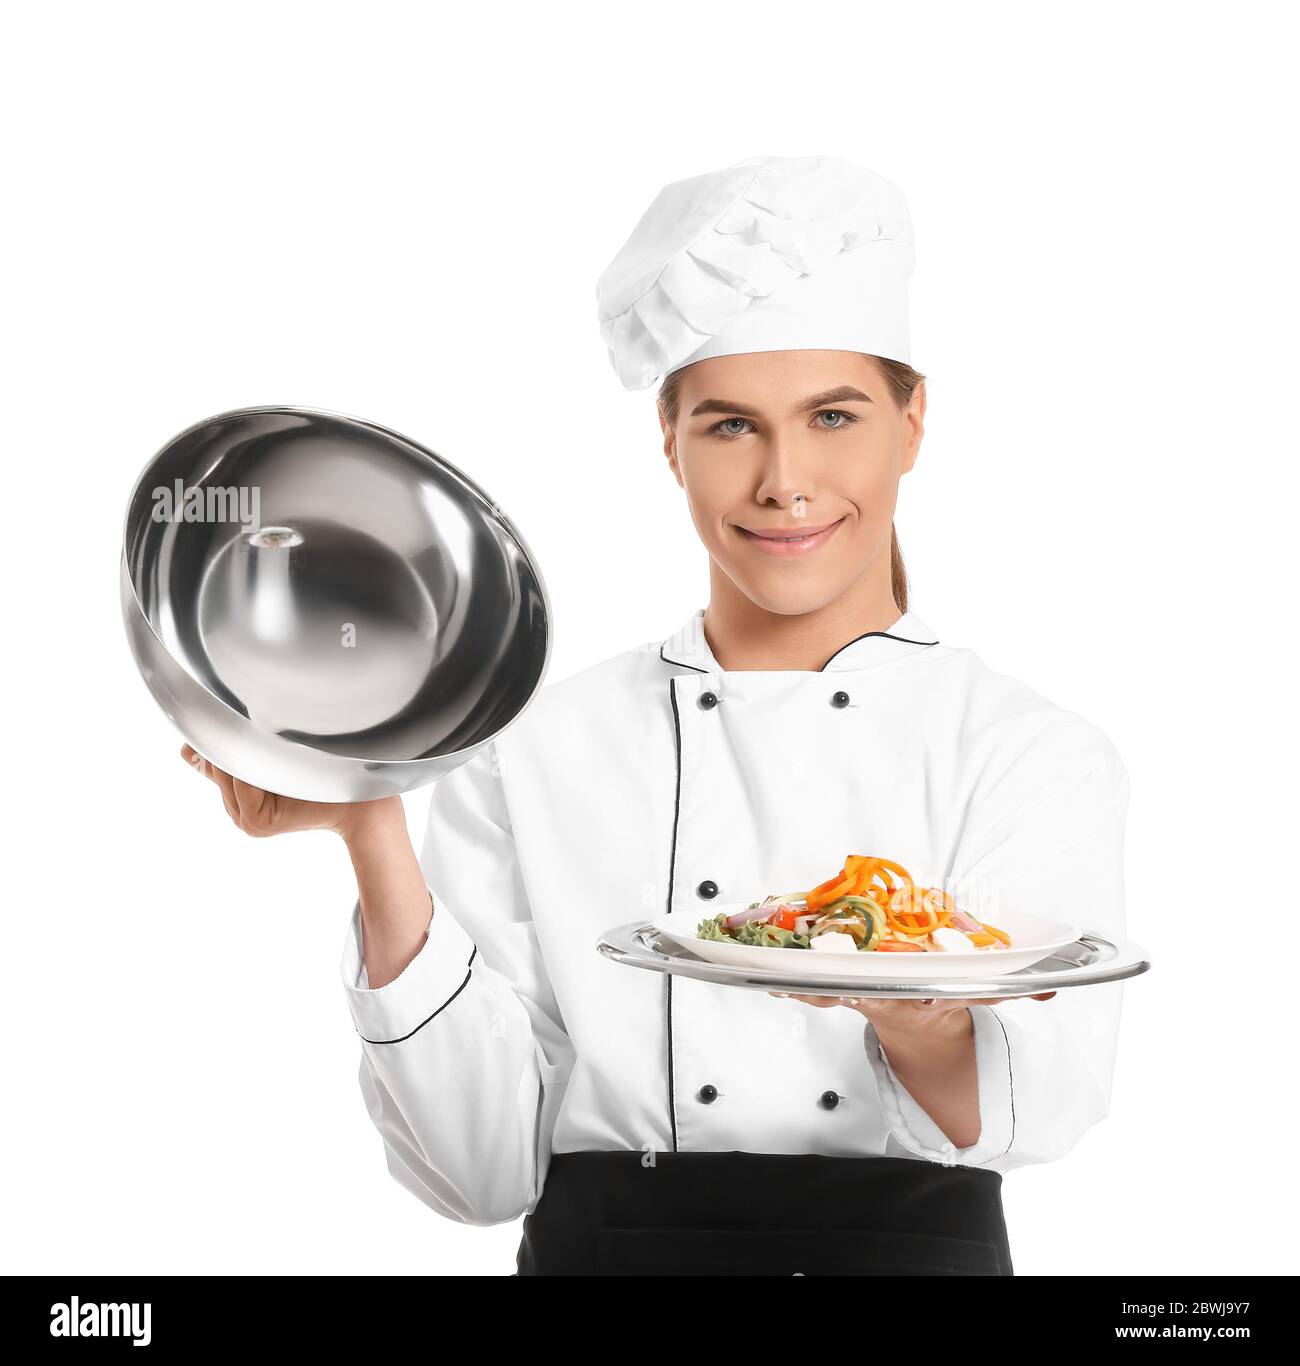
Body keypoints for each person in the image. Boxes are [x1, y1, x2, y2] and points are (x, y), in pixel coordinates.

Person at [182, 154, 1130, 1276]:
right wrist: (370, 826)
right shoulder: (535, 744)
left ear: (913, 422)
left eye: (833, 415)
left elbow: (1039, 1116)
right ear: (668, 438)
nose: (785, 480)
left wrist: (916, 1015)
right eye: (731, 426)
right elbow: (478, 1174)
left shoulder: (1025, 751)